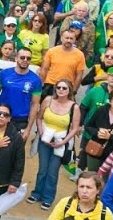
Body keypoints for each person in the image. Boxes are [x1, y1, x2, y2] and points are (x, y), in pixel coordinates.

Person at [30, 79, 81, 209]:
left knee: (52, 171)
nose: (61, 90)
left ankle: (48, 197)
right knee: (42, 169)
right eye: (59, 87)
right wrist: (41, 133)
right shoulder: (48, 100)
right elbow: (39, 117)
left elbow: (75, 128)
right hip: (45, 139)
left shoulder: (74, 107)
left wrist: (63, 142)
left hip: (61, 141)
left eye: (64, 88)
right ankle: (37, 193)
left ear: (69, 90)